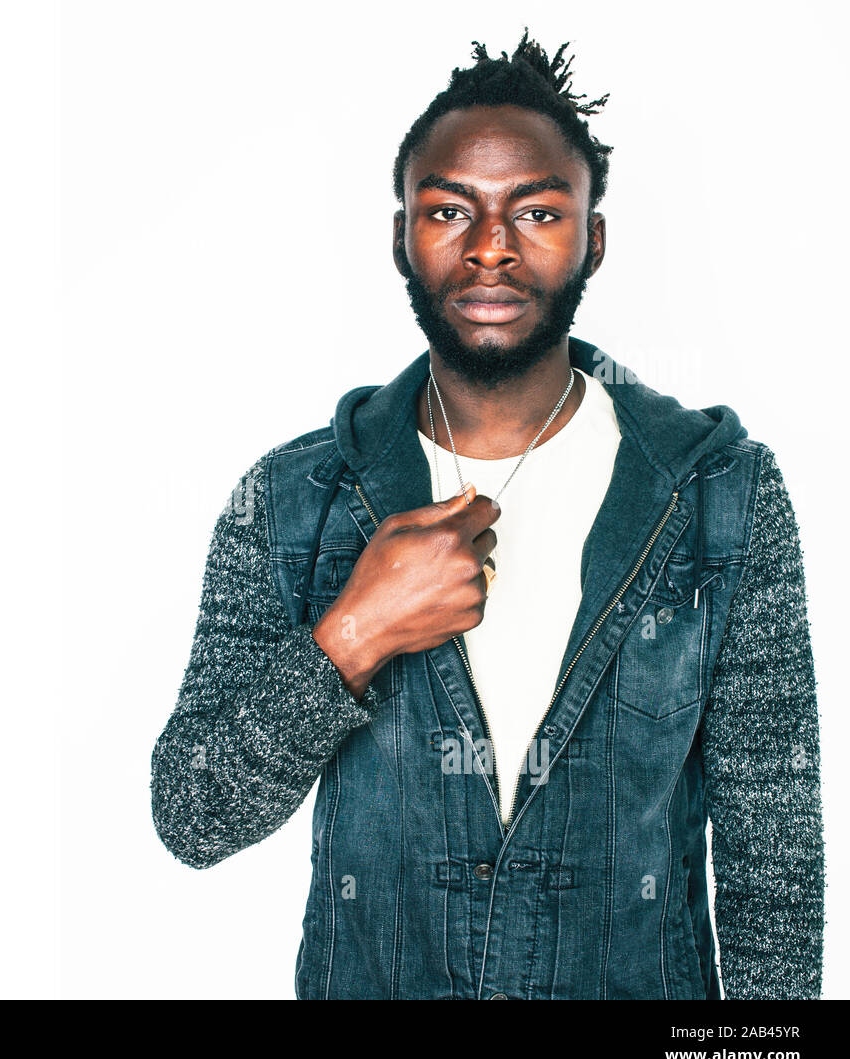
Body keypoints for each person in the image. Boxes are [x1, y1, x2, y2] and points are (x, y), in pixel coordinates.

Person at [149, 29, 824, 999]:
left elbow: (773, 871)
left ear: (593, 236)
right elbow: (191, 814)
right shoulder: (293, 500)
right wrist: (354, 632)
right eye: (448, 210)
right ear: (400, 238)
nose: (490, 247)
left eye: (536, 211)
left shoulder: (719, 497)